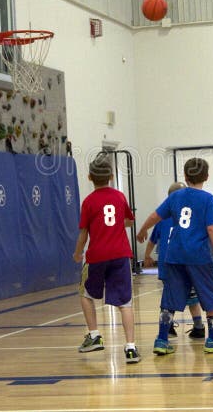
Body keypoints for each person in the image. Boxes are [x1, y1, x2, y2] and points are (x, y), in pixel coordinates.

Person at [136, 158, 213, 355]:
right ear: (207, 177)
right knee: (212, 294)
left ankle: (161, 339)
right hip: (198, 255)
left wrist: (142, 231)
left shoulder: (176, 197)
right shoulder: (207, 199)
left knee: (170, 296)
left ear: (185, 176)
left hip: (175, 255)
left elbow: (154, 216)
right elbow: (212, 228)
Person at [72, 155, 140, 363]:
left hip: (97, 256)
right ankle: (130, 348)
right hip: (120, 254)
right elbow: (128, 220)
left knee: (85, 293)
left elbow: (84, 232)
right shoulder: (120, 197)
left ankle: (94, 336)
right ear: (111, 176)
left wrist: (78, 252)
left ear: (90, 177)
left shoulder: (89, 202)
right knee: (125, 303)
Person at [143, 181, 205, 339]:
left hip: (168, 263)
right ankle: (198, 326)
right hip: (187, 261)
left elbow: (152, 240)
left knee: (168, 298)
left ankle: (167, 327)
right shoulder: (193, 215)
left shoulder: (162, 218)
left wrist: (147, 255)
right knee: (192, 298)